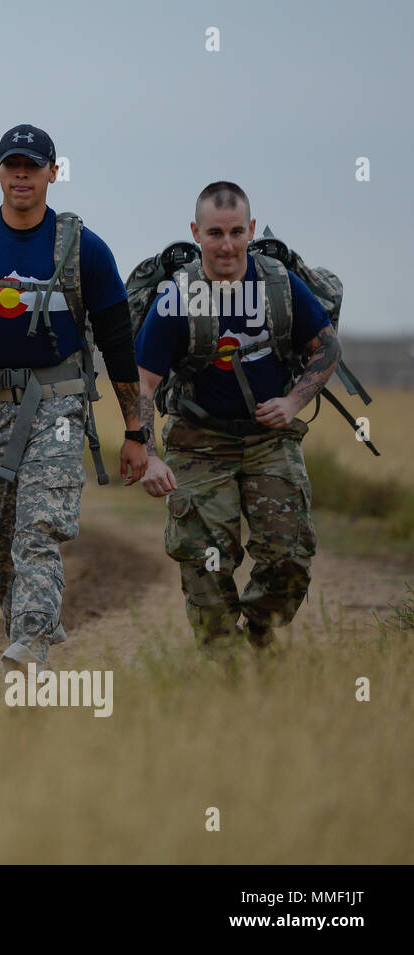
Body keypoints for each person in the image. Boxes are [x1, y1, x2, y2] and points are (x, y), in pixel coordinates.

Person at [0, 124, 147, 673]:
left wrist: (137, 433)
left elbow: (117, 347)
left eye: (33, 165)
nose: (22, 174)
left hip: (60, 404)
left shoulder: (85, 249)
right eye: (12, 164)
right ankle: (27, 628)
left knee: (39, 524)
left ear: (52, 173)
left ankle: (32, 642)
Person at [136, 181, 339, 652]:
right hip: (197, 442)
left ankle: (260, 630)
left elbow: (326, 345)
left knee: (290, 555)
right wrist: (149, 456)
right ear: (196, 232)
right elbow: (142, 384)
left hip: (271, 442)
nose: (226, 245)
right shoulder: (176, 297)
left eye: (234, 232)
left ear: (250, 229)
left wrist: (292, 404)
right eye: (214, 233)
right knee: (207, 561)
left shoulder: (279, 285)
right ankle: (224, 664)